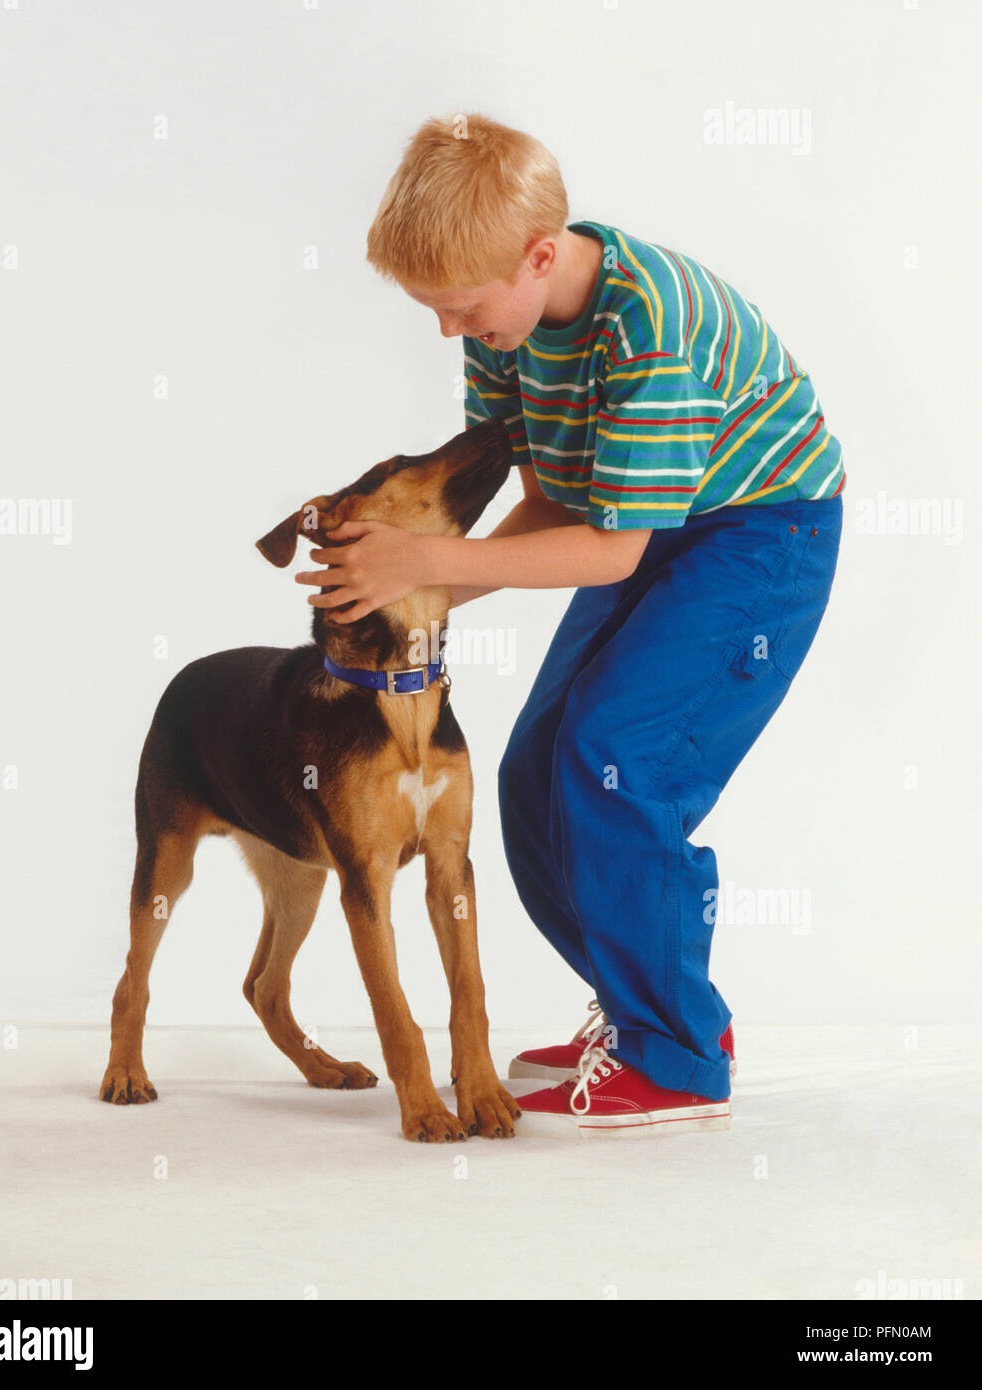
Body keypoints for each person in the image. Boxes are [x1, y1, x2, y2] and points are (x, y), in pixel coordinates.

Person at [296, 113, 845, 1137]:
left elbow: (611, 552)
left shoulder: (648, 326)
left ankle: (679, 1051)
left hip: (758, 534)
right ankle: (646, 1016)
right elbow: (551, 499)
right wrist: (407, 593)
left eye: (461, 309)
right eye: (434, 312)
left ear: (538, 256)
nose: (450, 331)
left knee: (612, 761)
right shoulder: (508, 327)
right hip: (632, 519)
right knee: (530, 769)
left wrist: (427, 562)